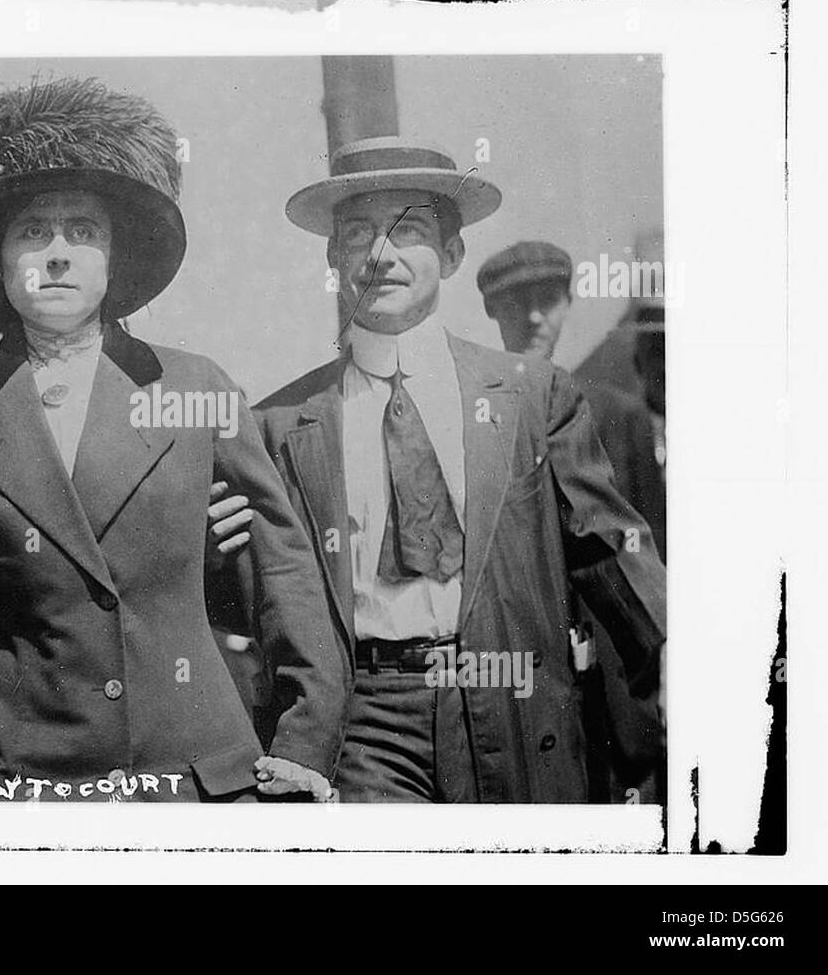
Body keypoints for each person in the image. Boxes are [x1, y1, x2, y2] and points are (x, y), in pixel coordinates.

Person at [0, 77, 348, 802]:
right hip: (27, 777)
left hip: (195, 774)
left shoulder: (194, 386)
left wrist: (304, 741)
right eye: (32, 231)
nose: (57, 254)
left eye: (83, 232)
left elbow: (285, 572)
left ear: (114, 258)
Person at [215, 137, 666, 802]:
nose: (381, 254)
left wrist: (674, 664)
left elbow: (608, 551)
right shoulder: (276, 425)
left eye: (410, 231)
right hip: (365, 725)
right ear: (334, 257)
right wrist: (206, 547)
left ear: (452, 255)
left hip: (514, 699)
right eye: (359, 233)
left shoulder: (531, 398)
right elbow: (242, 596)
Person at [477, 241, 666, 803]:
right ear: (490, 311)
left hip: (614, 680)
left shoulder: (618, 413)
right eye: (516, 303)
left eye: (548, 300)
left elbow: (646, 544)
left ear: (569, 302)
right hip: (523, 678)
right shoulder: (477, 420)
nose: (534, 317)